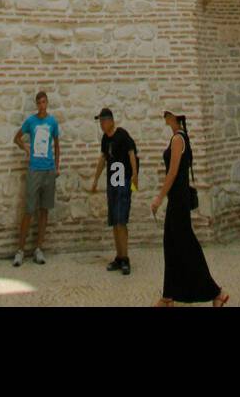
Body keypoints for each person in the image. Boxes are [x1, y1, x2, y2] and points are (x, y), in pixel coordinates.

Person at [151, 110, 227, 307]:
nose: (164, 117)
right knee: (172, 243)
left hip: (178, 199)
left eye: (167, 114)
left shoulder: (178, 139)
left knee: (186, 244)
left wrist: (159, 198)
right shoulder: (181, 137)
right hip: (178, 198)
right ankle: (168, 295)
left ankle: (216, 292)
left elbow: (173, 172)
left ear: (174, 117)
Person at [13, 90, 60, 266]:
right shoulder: (31, 121)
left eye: (44, 102)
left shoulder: (52, 122)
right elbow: (17, 138)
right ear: (36, 104)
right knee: (29, 210)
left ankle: (39, 248)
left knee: (44, 210)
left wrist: (57, 167)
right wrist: (25, 147)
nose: (41, 105)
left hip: (49, 169)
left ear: (47, 103)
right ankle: (20, 250)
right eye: (39, 102)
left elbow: (57, 145)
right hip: (34, 169)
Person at [90, 107, 138, 275]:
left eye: (103, 121)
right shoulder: (105, 138)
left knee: (121, 221)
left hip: (124, 183)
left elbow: (131, 153)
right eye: (100, 122)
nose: (101, 124)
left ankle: (125, 258)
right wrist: (95, 179)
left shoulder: (122, 135)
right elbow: (103, 158)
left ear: (110, 120)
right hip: (112, 183)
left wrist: (135, 175)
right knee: (114, 220)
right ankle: (119, 256)